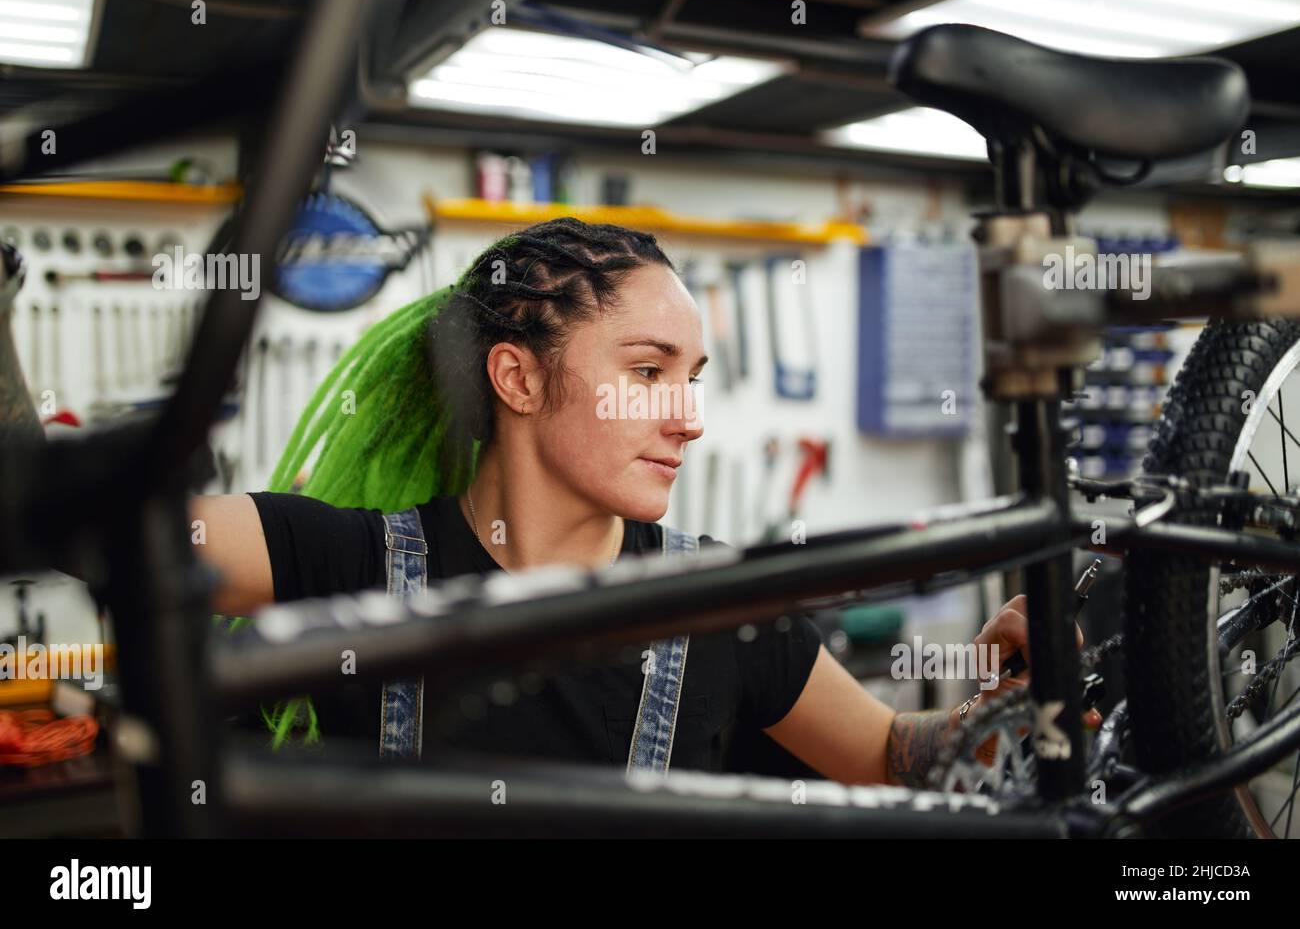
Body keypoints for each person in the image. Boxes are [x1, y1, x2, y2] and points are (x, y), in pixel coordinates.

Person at [0, 219, 1095, 786]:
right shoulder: (347, 562)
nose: (688, 417)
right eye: (648, 369)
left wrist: (1004, 707)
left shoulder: (724, 602)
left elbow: (894, 753)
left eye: (694, 379)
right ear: (518, 379)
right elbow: (85, 529)